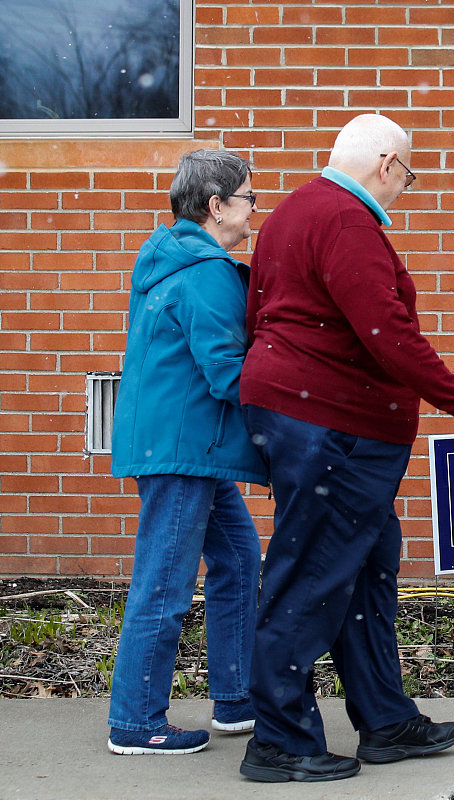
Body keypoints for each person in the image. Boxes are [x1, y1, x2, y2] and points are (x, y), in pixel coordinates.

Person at [237, 114, 454, 783]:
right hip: (331, 424)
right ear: (386, 163)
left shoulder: (292, 212)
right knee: (315, 573)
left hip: (301, 417)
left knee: (363, 562)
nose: (404, 189)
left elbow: (259, 313)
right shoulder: (347, 219)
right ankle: (278, 740)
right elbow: (386, 330)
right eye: (406, 175)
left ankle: (385, 720)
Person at [107, 149, 267, 755]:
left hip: (185, 445)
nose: (255, 208)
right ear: (216, 205)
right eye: (248, 197)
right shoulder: (203, 272)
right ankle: (136, 720)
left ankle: (234, 698)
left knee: (237, 558)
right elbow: (228, 371)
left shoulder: (169, 261)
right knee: (164, 583)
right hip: (183, 451)